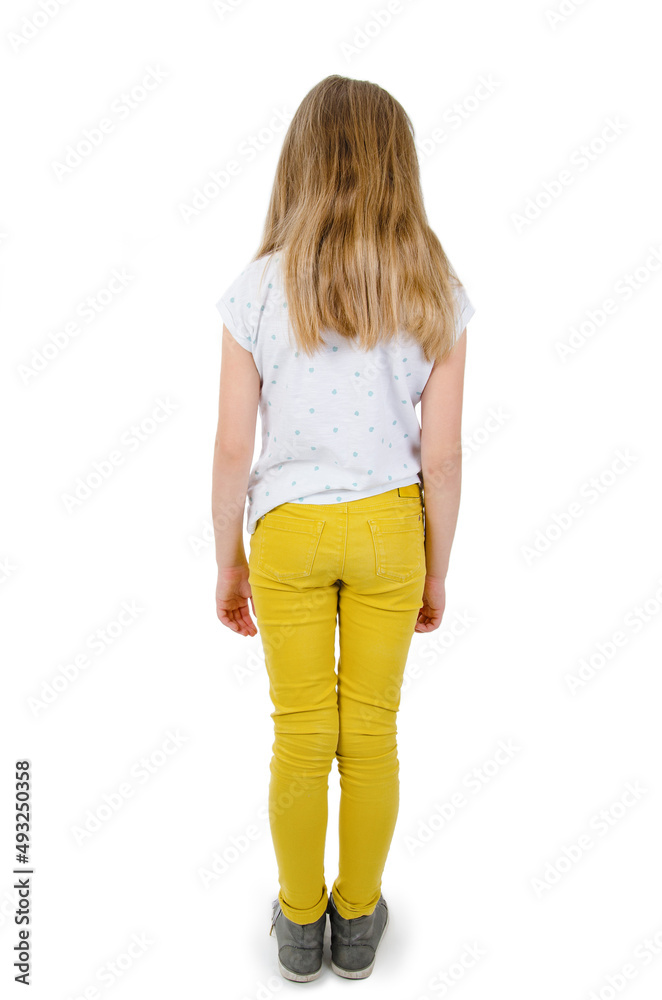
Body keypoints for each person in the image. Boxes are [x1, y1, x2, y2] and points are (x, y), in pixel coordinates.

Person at [211, 74, 475, 982]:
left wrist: (228, 561)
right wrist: (437, 568)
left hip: (284, 534)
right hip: (388, 534)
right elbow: (441, 457)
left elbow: (229, 449)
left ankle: (296, 925)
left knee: (298, 734)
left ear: (299, 165)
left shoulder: (256, 290)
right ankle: (356, 923)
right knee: (370, 733)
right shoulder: (435, 286)